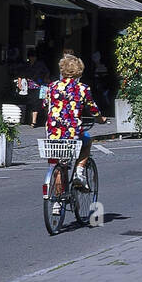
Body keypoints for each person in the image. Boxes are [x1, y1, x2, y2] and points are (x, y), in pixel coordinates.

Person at [45, 54, 105, 196]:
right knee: (87, 141)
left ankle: (56, 205)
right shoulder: (82, 88)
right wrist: (100, 119)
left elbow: (44, 105)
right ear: (79, 71)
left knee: (57, 163)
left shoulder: (51, 86)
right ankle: (79, 173)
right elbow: (92, 108)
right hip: (72, 134)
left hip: (53, 133)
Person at [16, 47, 50, 128]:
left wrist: (45, 79)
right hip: (29, 87)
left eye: (33, 56)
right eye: (31, 56)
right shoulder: (26, 65)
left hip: (40, 86)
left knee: (39, 103)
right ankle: (33, 120)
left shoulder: (40, 65)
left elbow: (47, 72)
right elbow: (20, 75)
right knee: (31, 103)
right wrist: (20, 84)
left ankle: (34, 121)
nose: (32, 58)